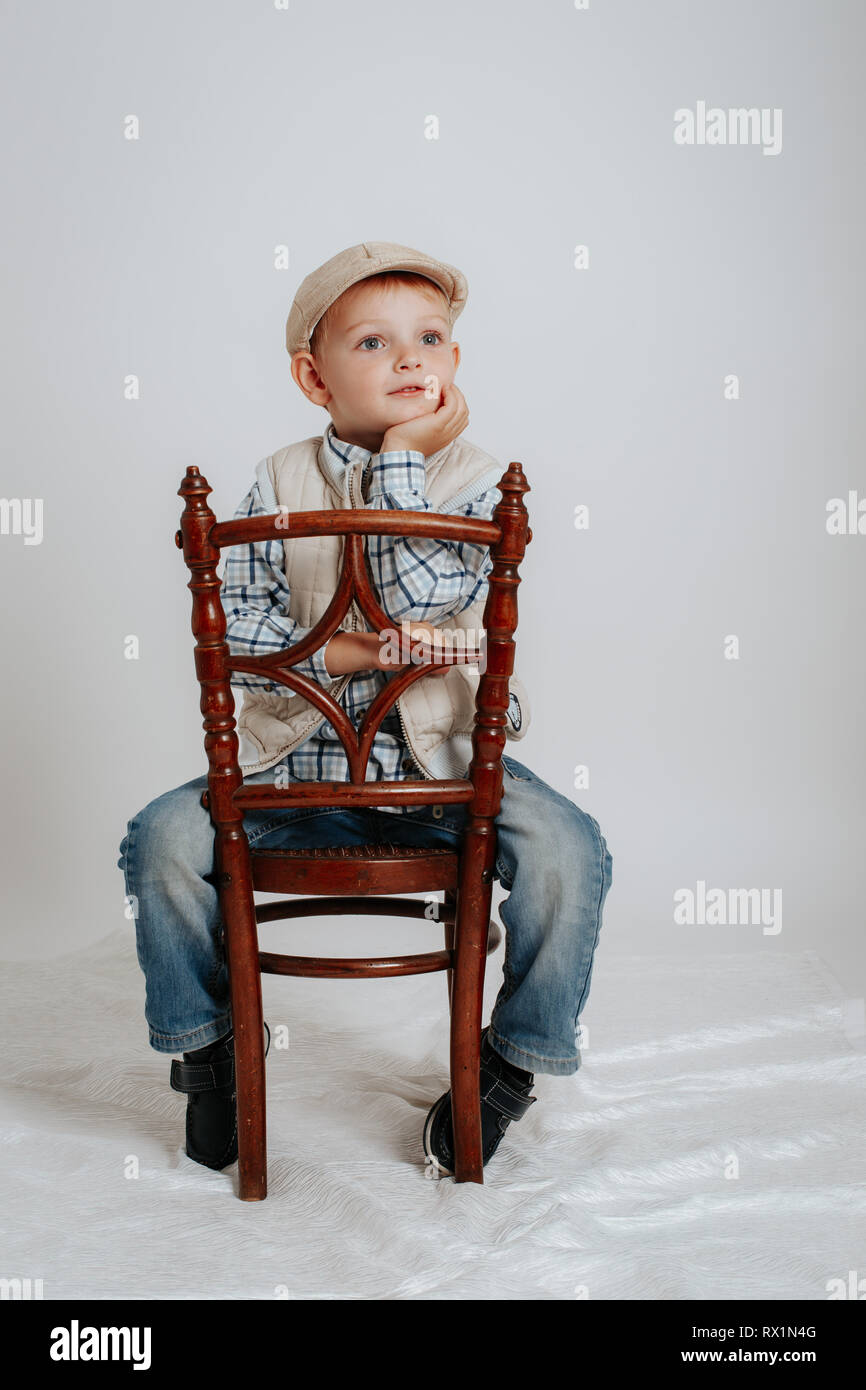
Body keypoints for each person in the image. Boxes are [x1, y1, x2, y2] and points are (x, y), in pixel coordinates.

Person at [117, 241, 613, 1179]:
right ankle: (209, 1050)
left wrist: (402, 463)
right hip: (291, 766)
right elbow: (253, 652)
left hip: (445, 769)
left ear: (456, 364)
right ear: (314, 377)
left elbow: (420, 594)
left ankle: (509, 1065)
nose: (411, 360)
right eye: (375, 343)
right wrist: (376, 651)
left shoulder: (475, 479)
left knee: (568, 851)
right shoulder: (275, 480)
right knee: (161, 842)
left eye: (430, 339)